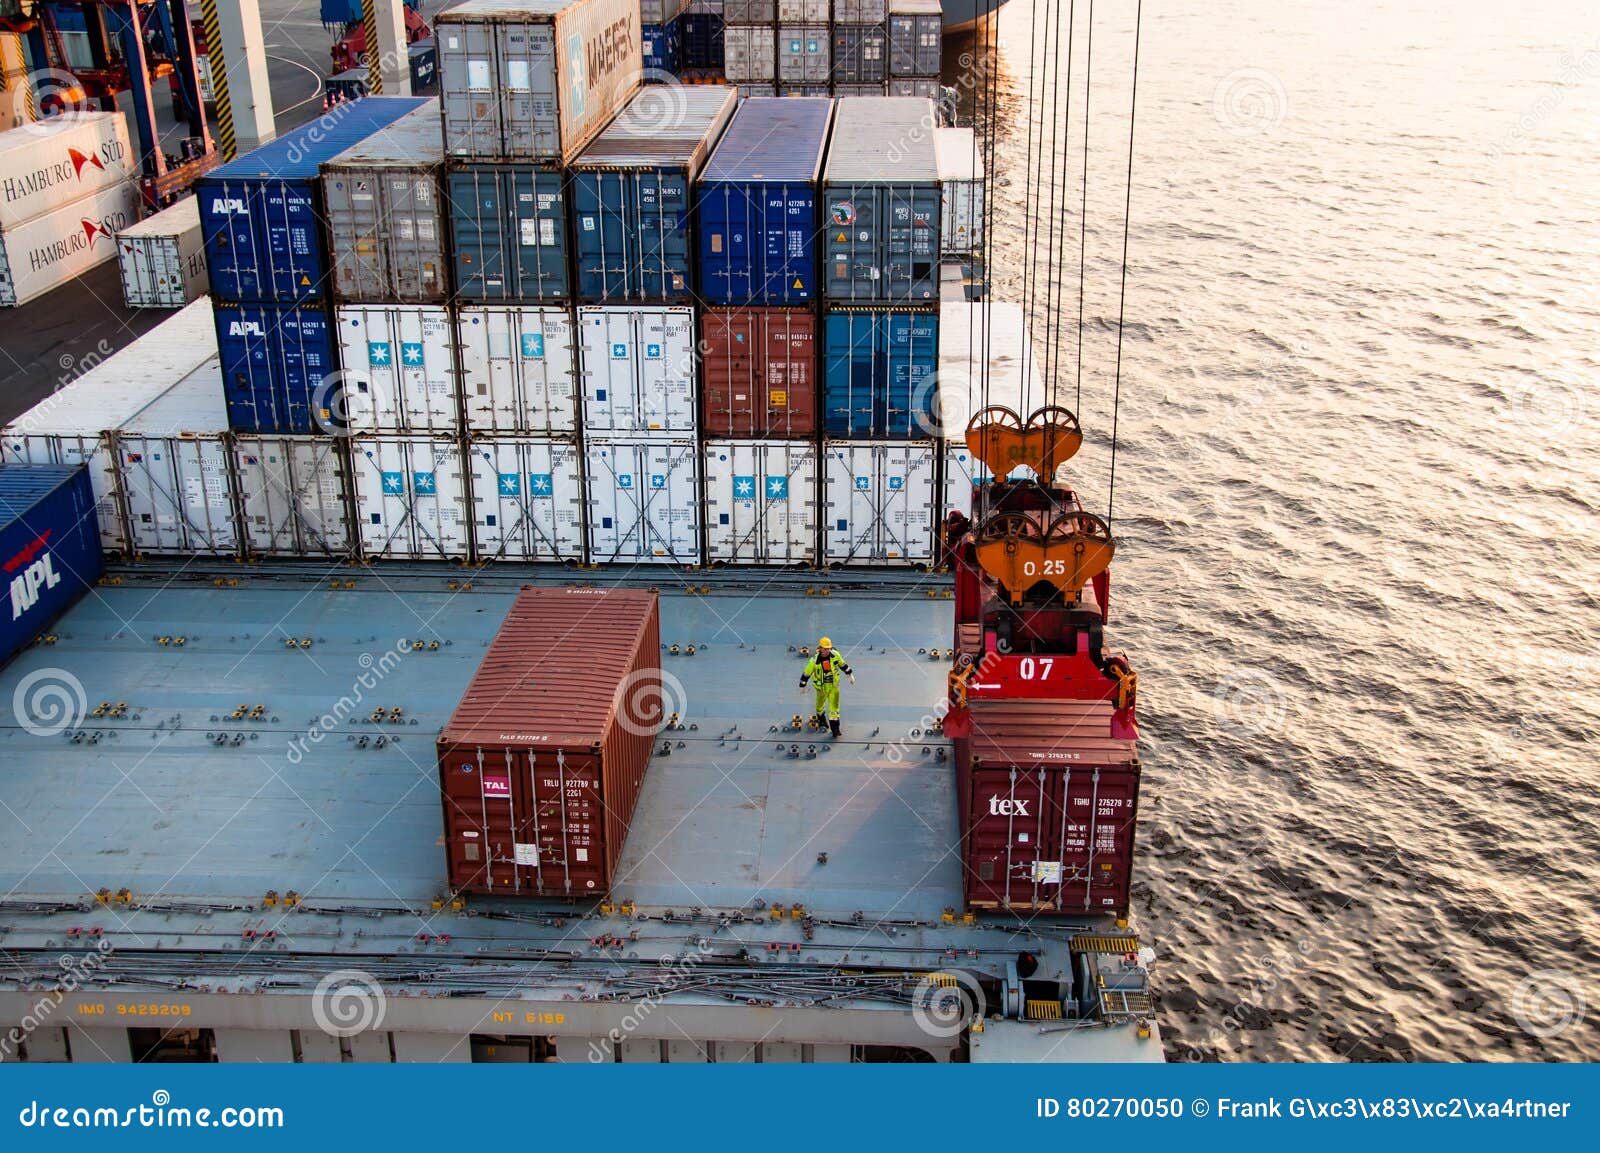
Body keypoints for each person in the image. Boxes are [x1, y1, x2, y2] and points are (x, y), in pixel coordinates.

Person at [799, 637, 855, 737]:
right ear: (820, 648)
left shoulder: (835, 655)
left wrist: (849, 674)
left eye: (828, 648)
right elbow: (806, 674)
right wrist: (802, 685)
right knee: (819, 706)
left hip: (833, 687)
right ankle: (822, 721)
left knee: (834, 709)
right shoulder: (814, 661)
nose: (826, 651)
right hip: (821, 689)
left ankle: (835, 730)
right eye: (824, 649)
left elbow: (843, 665)